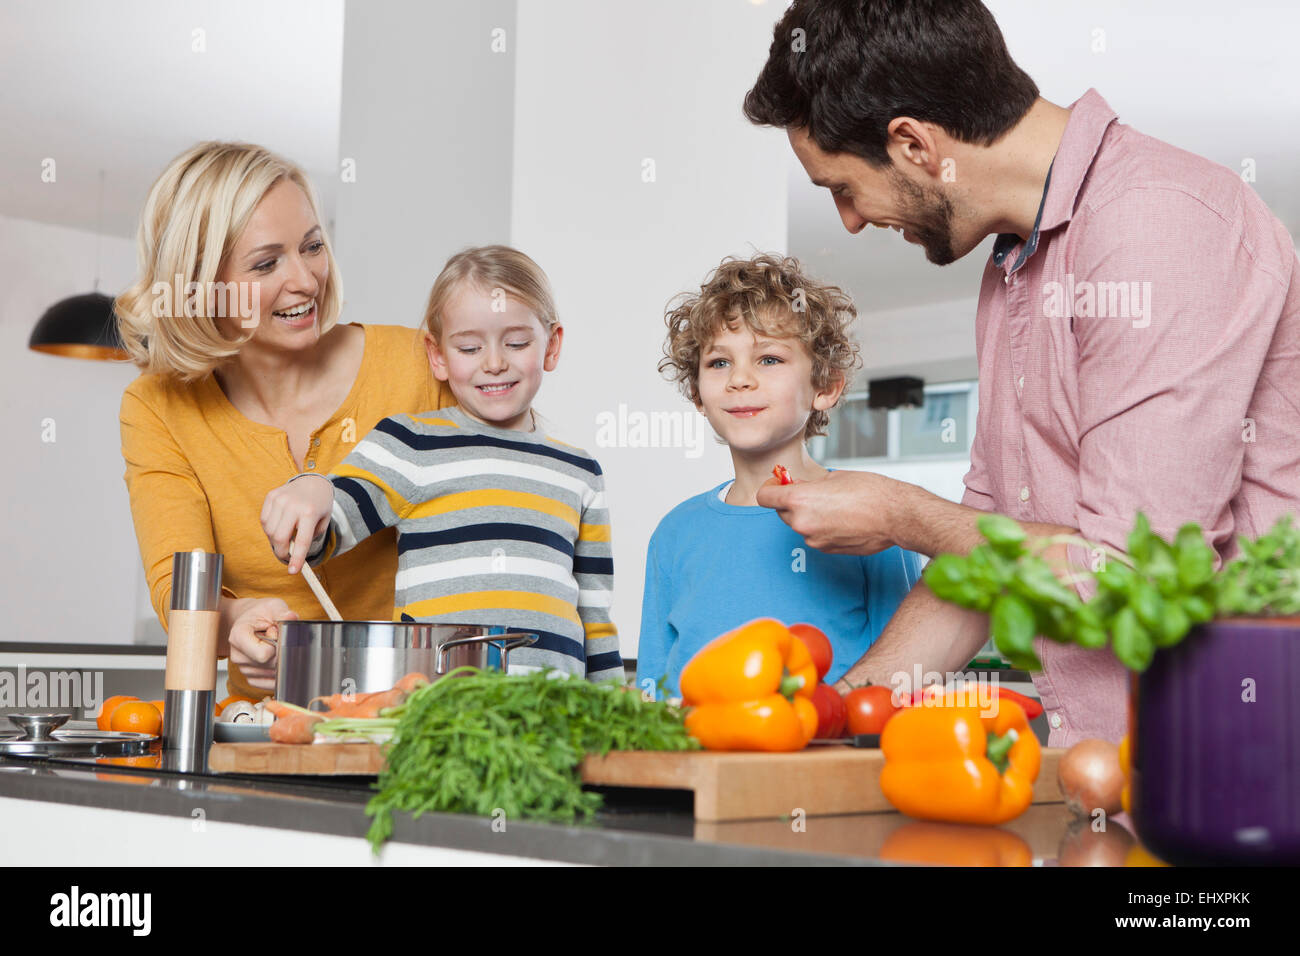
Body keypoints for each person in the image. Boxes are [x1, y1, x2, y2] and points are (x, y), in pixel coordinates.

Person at [743, 0, 1300, 745]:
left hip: (1235, 766)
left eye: (841, 188)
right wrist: (832, 718)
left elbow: (1137, 572)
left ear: (912, 143)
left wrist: (905, 515)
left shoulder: (1156, 222)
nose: (847, 219)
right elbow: (981, 562)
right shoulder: (1014, 263)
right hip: (1109, 771)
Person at [116, 141, 456, 695]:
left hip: (428, 719)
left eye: (313, 246)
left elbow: (507, 499)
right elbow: (178, 592)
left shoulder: (420, 366)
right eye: (267, 262)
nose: (305, 280)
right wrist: (237, 623)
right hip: (270, 734)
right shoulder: (157, 407)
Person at [260, 246, 625, 682]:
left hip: (555, 717)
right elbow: (326, 530)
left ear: (552, 345)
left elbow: (595, 619)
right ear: (437, 355)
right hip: (439, 705)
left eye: (517, 343)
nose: (494, 363)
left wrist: (611, 713)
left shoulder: (580, 472)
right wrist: (310, 491)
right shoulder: (411, 443)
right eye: (470, 347)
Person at [636, 253, 923, 698]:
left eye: (768, 359)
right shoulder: (675, 532)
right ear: (697, 392)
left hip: (825, 759)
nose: (740, 379)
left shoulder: (868, 511)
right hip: (698, 761)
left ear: (824, 387)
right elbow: (652, 685)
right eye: (718, 363)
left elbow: (906, 672)